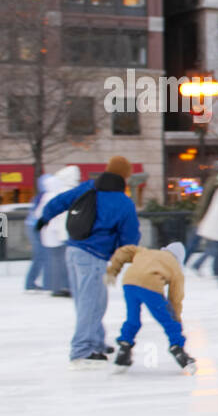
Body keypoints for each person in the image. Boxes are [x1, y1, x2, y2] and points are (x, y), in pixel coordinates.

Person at [36, 157, 141, 367]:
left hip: (73, 249)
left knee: (87, 301)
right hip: (95, 255)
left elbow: (59, 202)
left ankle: (96, 343)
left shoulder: (88, 187)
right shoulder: (122, 202)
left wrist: (44, 218)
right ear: (126, 176)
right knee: (91, 302)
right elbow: (129, 236)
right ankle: (82, 350)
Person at [105, 241, 195, 373]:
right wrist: (176, 318)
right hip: (150, 285)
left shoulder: (145, 251)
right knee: (168, 321)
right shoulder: (175, 267)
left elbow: (124, 251)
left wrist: (113, 270)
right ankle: (178, 349)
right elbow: (176, 298)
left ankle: (124, 350)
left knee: (132, 319)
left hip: (129, 282)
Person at [37, 166, 81, 297]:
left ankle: (60, 286)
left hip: (60, 233)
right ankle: (63, 286)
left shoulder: (55, 193)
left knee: (58, 261)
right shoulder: (64, 193)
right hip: (63, 233)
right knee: (63, 262)